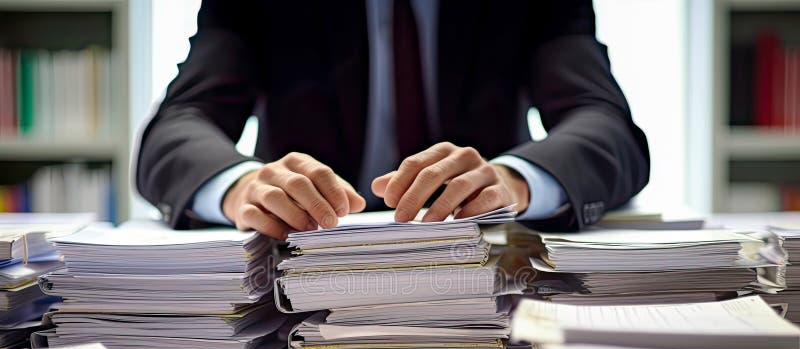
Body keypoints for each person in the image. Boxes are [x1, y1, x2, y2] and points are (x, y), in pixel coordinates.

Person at [135, 0, 649, 238]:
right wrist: (242, 187)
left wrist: (514, 181)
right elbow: (178, 124)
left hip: (486, 275)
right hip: (302, 285)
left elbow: (605, 124)